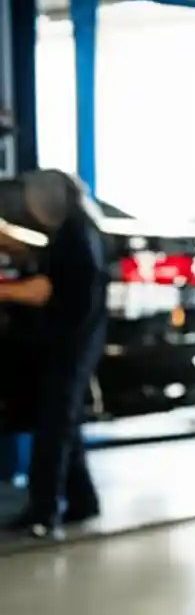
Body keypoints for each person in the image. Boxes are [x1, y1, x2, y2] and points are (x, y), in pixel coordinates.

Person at [0, 169, 105, 540]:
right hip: (79, 341)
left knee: (53, 428)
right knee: (65, 424)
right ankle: (83, 501)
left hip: (70, 344)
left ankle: (42, 511)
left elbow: (42, 290)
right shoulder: (80, 229)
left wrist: (3, 290)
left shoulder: (73, 236)